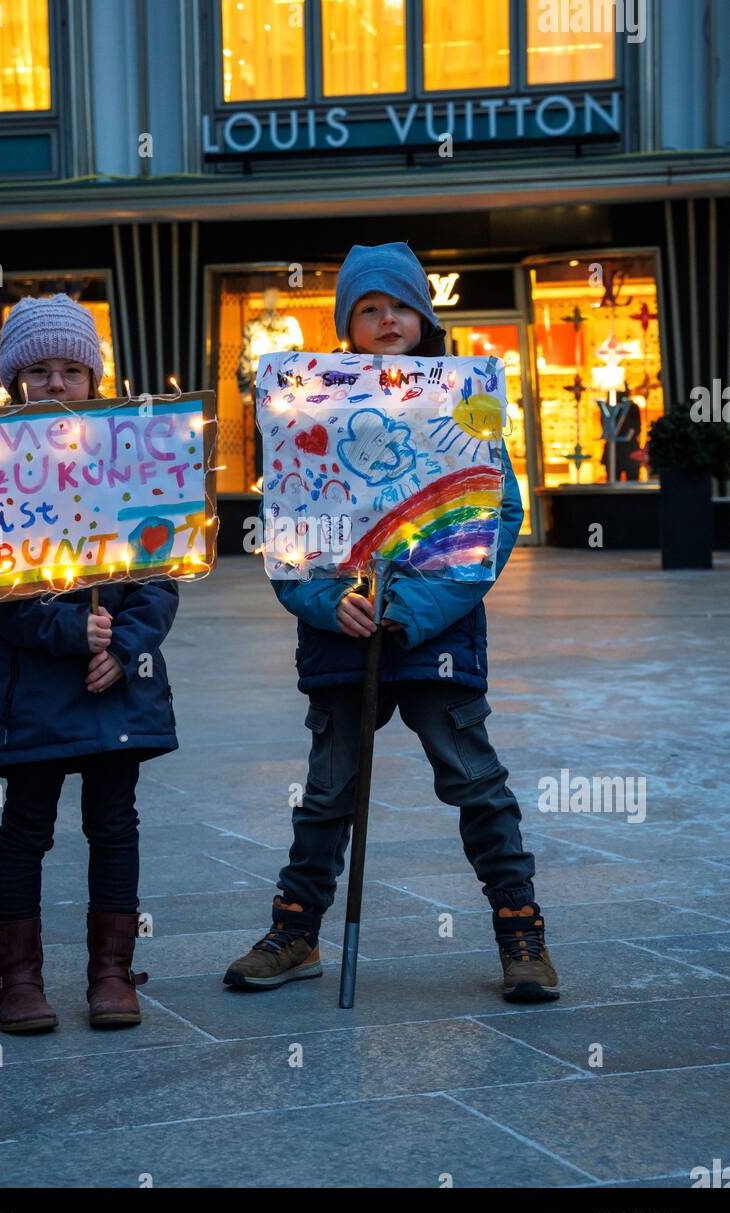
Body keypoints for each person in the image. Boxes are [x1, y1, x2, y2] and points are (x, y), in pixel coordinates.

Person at [223, 243, 559, 1002]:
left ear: (424, 315)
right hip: (343, 636)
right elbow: (289, 524)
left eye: (399, 305)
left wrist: (413, 611)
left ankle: (521, 930)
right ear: (347, 322)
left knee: (476, 783)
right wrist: (327, 600)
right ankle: (296, 930)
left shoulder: (464, 399)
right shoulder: (312, 402)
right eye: (368, 309)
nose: (385, 320)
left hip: (435, 638)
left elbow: (495, 517)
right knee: (327, 794)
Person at [0, 294, 179, 1033]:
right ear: (16, 382)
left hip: (118, 683)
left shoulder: (127, 454)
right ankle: (16, 976)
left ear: (93, 377)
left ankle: (112, 972)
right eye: (38, 371)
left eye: (71, 370)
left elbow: (161, 567)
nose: (55, 384)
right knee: (27, 827)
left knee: (115, 824)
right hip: (39, 685)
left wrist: (124, 645)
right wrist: (66, 630)